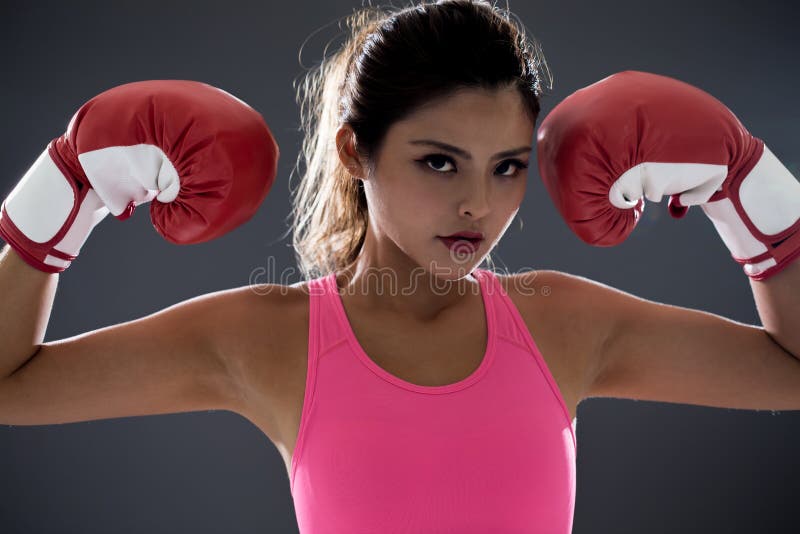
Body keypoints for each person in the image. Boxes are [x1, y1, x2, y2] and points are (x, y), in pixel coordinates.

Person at [0, 0, 798, 533]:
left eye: (508, 167)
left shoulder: (563, 324)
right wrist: (66, 194)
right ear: (357, 151)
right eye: (439, 162)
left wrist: (753, 196)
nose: (478, 205)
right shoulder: (269, 340)